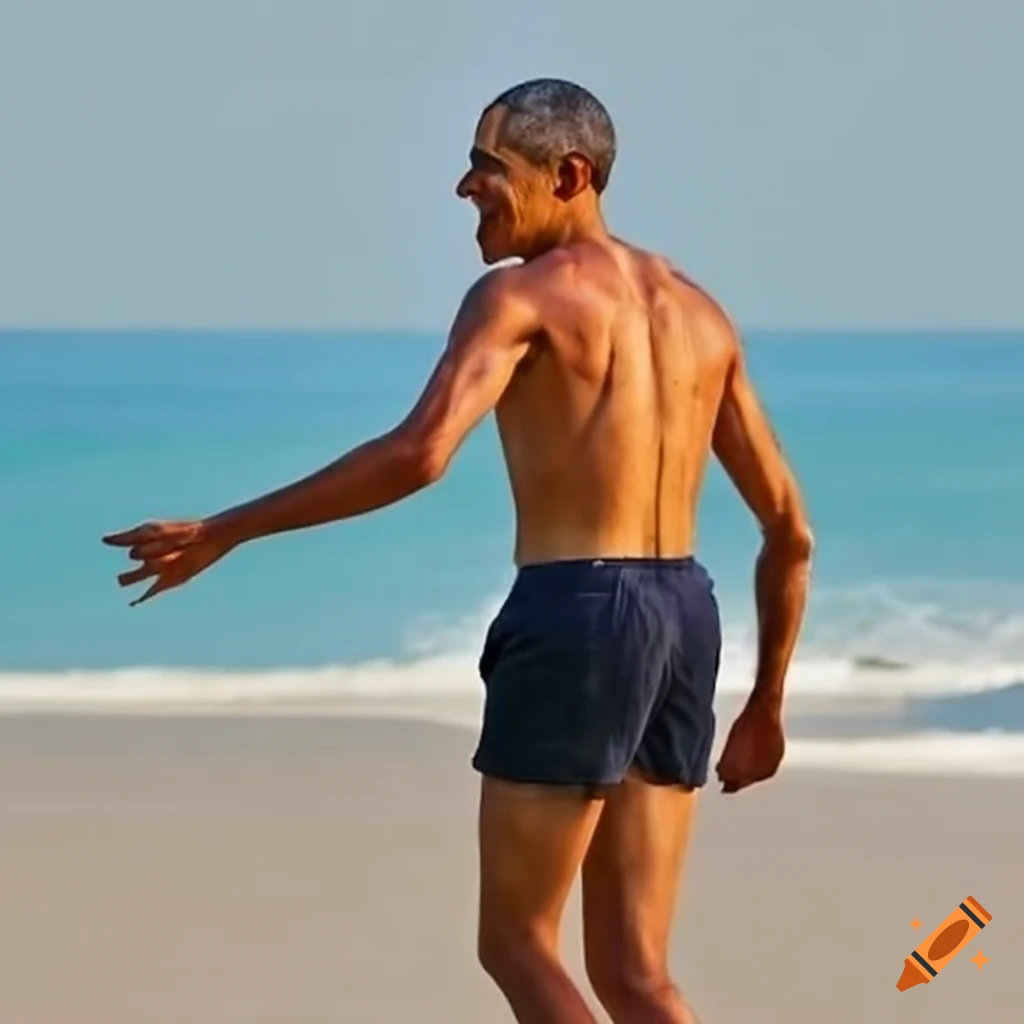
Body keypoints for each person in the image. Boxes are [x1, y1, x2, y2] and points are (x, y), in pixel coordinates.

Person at [103, 78, 813, 1024]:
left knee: (516, 943)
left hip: (579, 616)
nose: (463, 188)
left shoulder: (518, 298)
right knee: (638, 975)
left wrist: (227, 529)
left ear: (568, 175)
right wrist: (765, 704)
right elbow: (789, 531)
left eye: (489, 167)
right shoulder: (700, 312)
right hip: (685, 616)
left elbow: (418, 453)